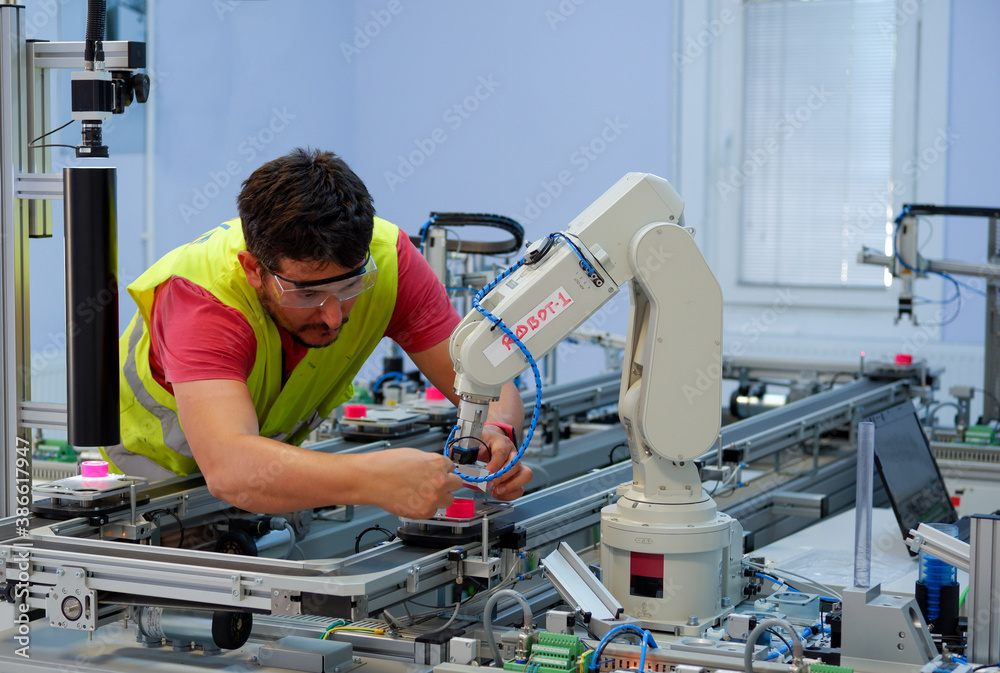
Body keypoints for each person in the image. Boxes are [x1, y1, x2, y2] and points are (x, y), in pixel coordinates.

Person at [102, 148, 530, 520]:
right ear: (255, 269)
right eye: (307, 293)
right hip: (150, 492)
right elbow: (232, 469)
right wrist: (376, 480)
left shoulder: (389, 259)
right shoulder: (203, 300)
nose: (332, 317)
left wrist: (498, 433)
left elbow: (484, 376)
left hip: (269, 478)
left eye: (348, 288)